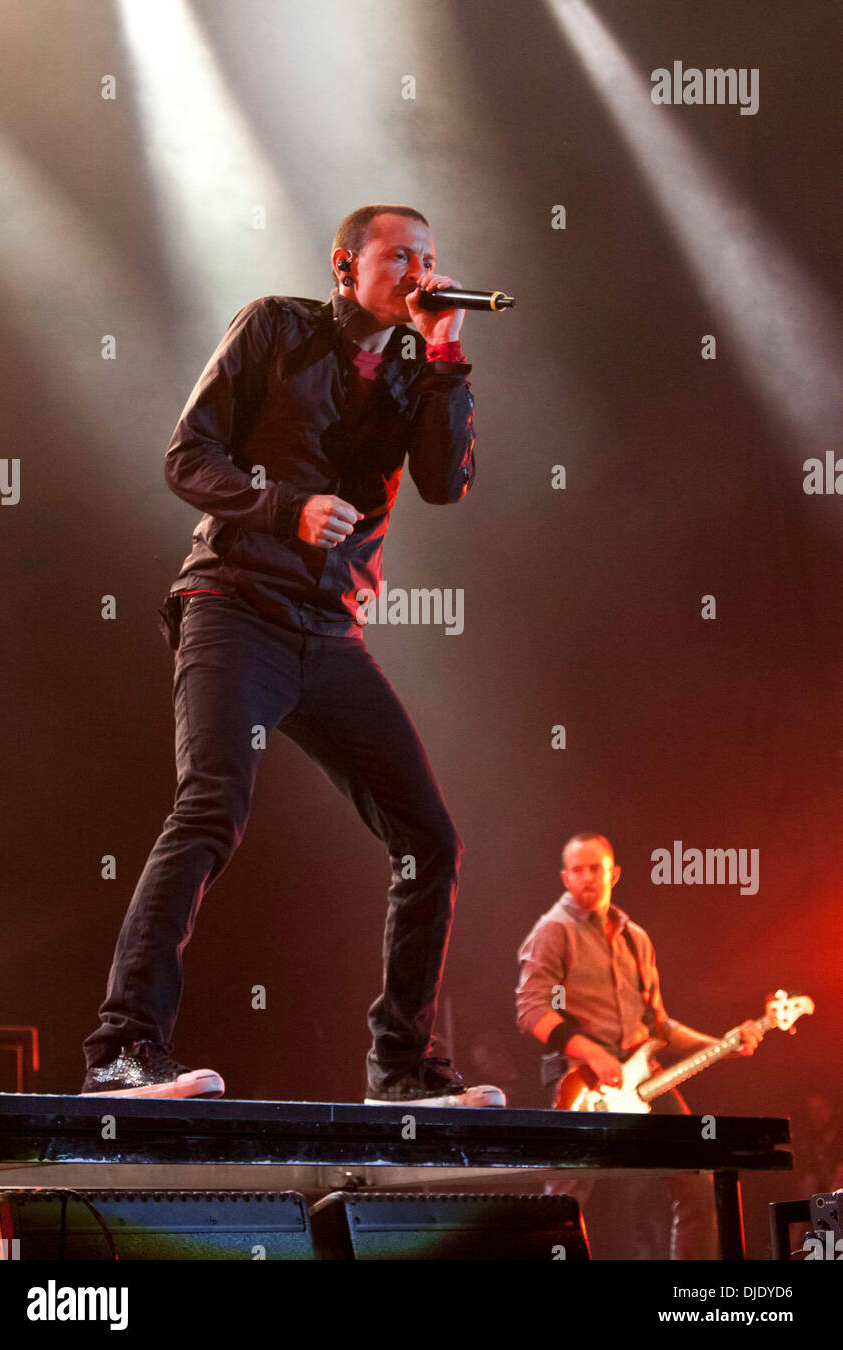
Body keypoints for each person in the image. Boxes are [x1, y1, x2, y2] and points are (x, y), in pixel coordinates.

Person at [80, 203, 504, 1109]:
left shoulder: (412, 373)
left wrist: (444, 357)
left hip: (330, 630)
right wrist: (284, 507)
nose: (421, 272)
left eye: (431, 258)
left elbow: (446, 484)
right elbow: (185, 457)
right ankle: (122, 1050)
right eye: (401, 257)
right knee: (211, 807)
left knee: (428, 839)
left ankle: (398, 1067)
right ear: (347, 266)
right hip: (235, 603)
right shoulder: (274, 325)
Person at [515, 832, 764, 1258]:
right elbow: (532, 1011)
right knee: (564, 1199)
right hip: (581, 1082)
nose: (588, 878)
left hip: (642, 1076)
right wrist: (592, 1053)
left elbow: (659, 1026)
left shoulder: (636, 939)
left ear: (616, 873)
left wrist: (723, 1043)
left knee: (699, 1184)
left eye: (596, 868)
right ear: (564, 877)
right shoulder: (552, 931)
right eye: (578, 870)